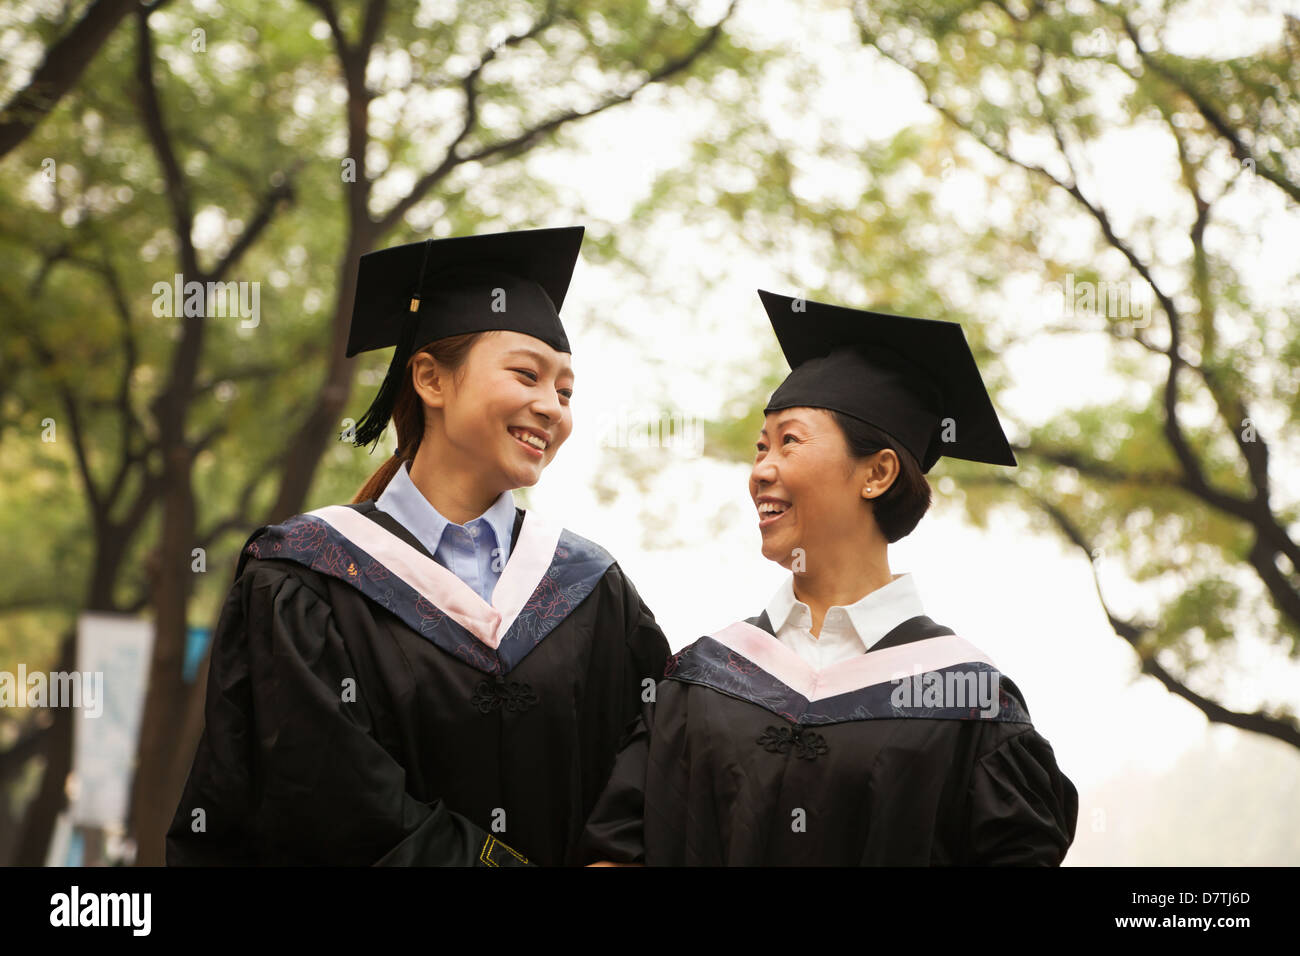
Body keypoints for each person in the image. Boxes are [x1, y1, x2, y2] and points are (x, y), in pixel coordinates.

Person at [166, 227, 669, 866]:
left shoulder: (591, 588)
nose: (551, 407)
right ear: (430, 379)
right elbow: (320, 802)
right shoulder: (307, 576)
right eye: (527, 375)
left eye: (565, 392)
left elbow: (653, 756)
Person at [580, 289, 1078, 865]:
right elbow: (615, 850)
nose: (760, 470)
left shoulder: (968, 703)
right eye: (759, 447)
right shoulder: (702, 678)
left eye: (789, 441)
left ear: (878, 473)